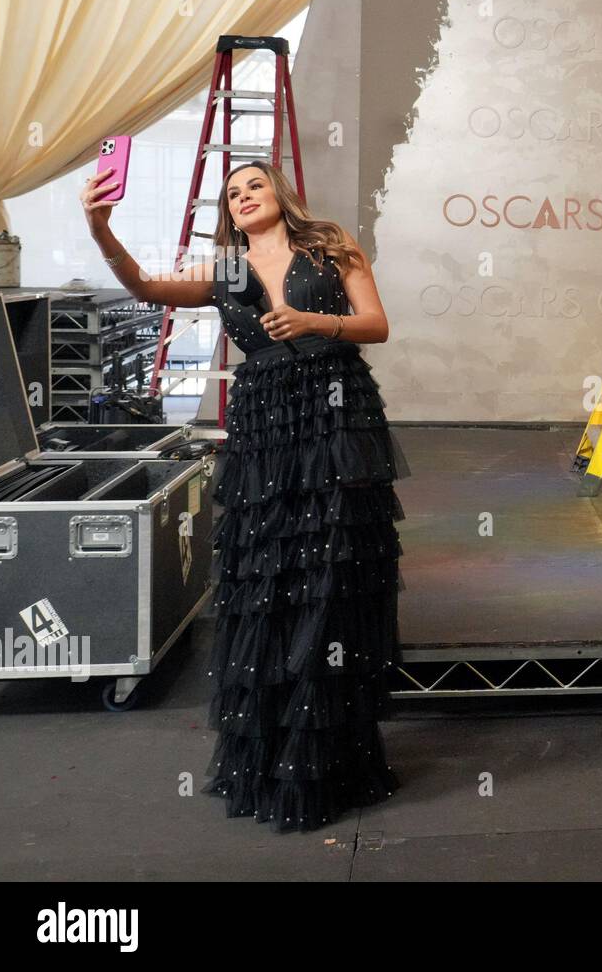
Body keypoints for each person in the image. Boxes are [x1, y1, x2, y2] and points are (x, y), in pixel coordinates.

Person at [81, 159, 410, 833]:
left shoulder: (329, 246)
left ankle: (336, 755)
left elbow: (376, 324)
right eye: (232, 193)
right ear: (228, 213)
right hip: (264, 427)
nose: (243, 196)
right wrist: (99, 228)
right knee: (271, 577)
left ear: (280, 192)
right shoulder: (226, 274)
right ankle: (277, 753)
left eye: (254, 184)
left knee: (332, 574)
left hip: (335, 413)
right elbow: (143, 284)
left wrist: (315, 323)